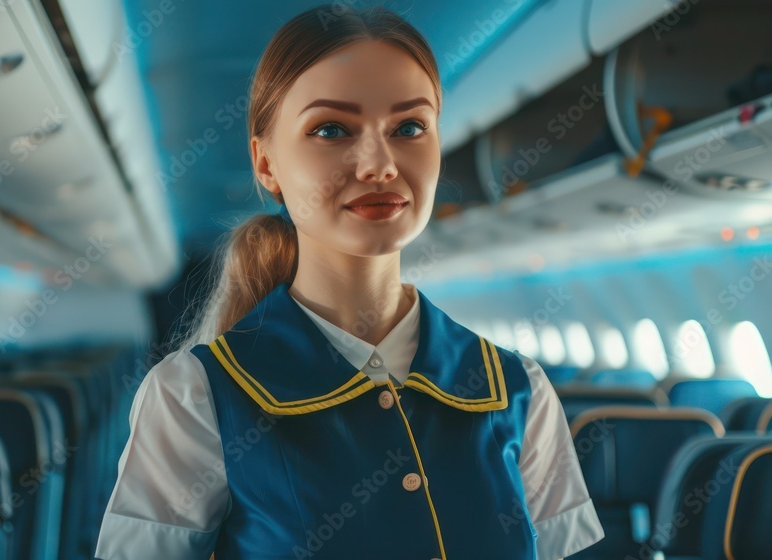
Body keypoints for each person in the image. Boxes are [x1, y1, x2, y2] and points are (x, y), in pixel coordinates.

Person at [96, 4, 604, 559]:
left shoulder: (519, 390)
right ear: (266, 164)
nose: (379, 164)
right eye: (331, 130)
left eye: (409, 127)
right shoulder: (194, 396)